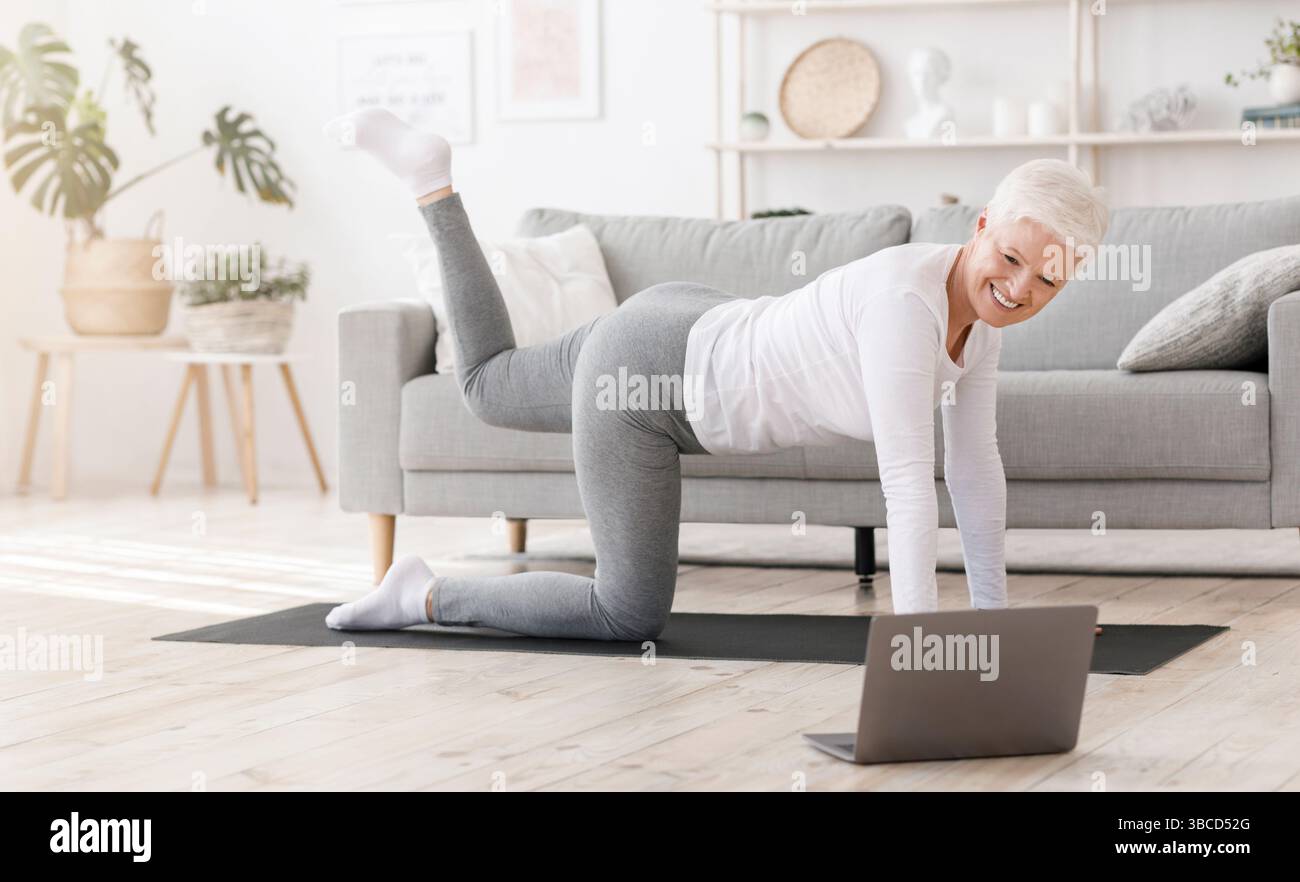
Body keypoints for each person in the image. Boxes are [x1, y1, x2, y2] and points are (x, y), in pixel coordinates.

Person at [323, 107, 1109, 640]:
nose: (1020, 291)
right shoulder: (909, 305)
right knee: (625, 611)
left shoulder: (977, 315)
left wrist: (994, 626)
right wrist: (923, 653)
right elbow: (910, 486)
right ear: (980, 228)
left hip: (684, 324)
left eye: (1047, 281)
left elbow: (974, 469)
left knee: (489, 385)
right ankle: (424, 593)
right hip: (655, 379)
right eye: (1010, 259)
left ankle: (432, 181)